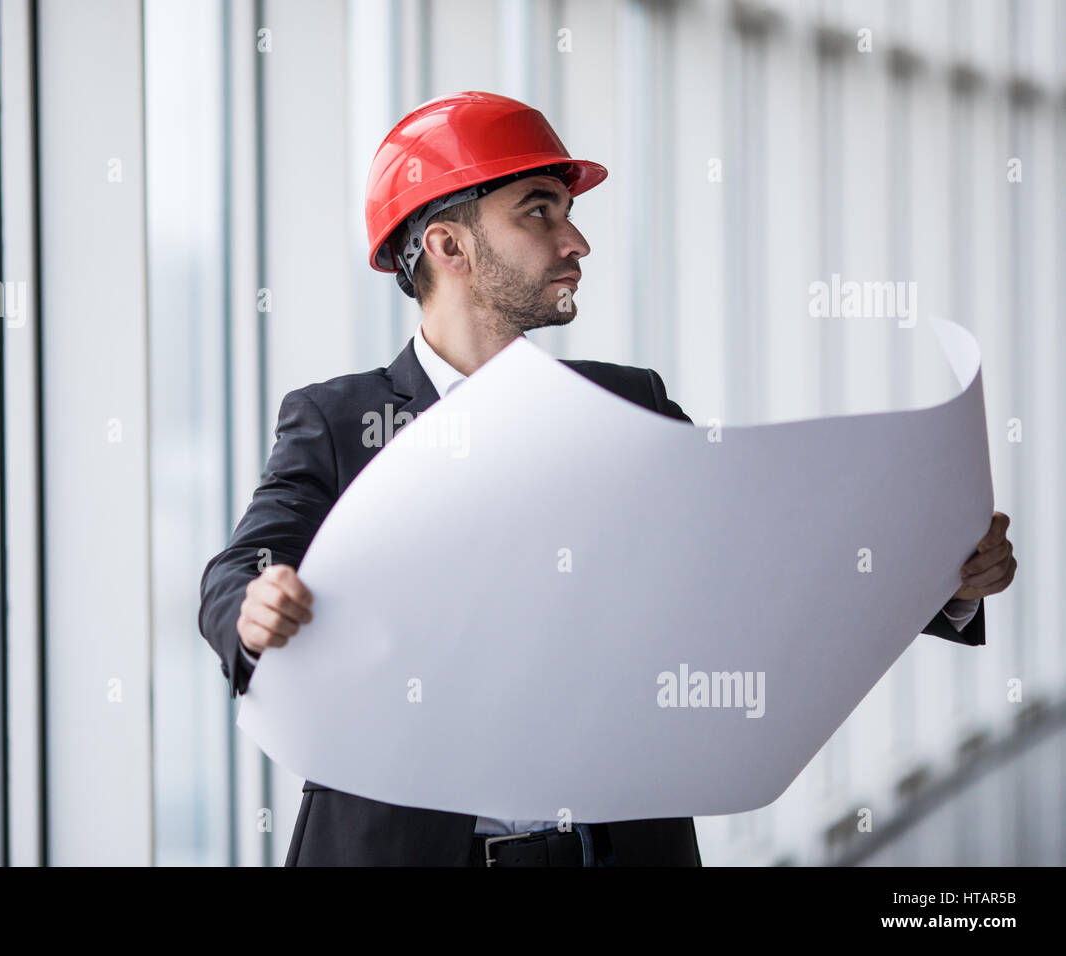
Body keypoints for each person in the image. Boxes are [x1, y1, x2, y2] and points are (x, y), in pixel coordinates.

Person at [198, 91, 1018, 867]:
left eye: (570, 213)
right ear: (448, 246)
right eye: (539, 212)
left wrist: (943, 583)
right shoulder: (339, 422)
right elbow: (232, 576)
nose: (575, 242)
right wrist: (257, 608)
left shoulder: (631, 402)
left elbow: (770, 558)